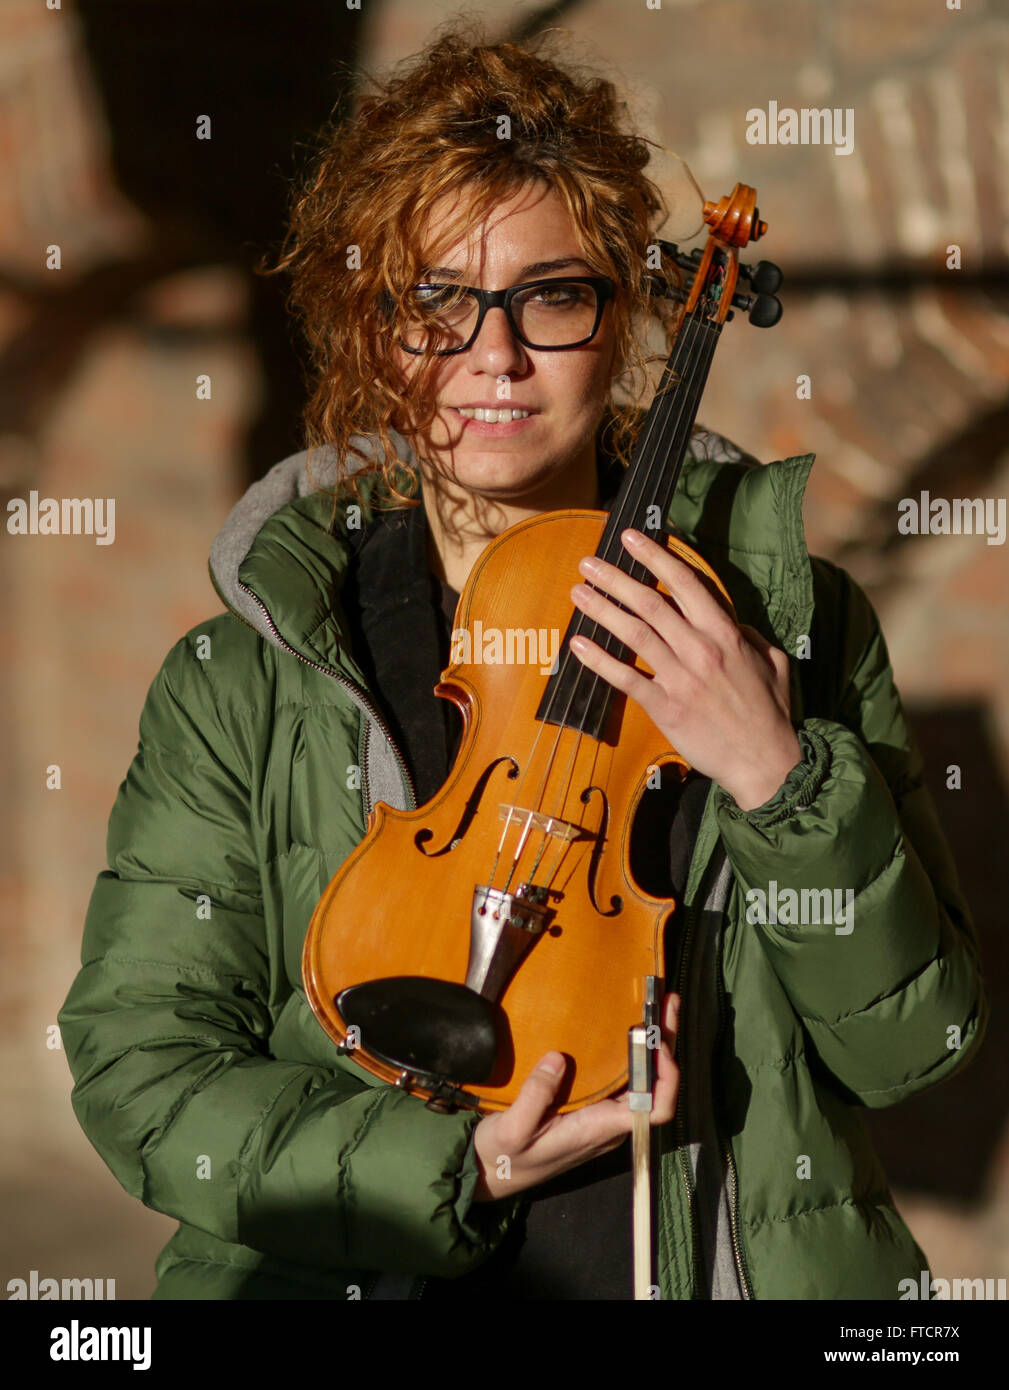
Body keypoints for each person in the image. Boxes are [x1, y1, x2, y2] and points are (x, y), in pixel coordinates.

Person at [59, 25, 987, 1301]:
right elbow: (141, 1066)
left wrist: (783, 783)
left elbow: (910, 1048)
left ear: (623, 317)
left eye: (550, 295)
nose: (492, 357)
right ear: (368, 329)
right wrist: (453, 1168)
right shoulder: (246, 677)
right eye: (434, 298)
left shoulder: (785, 624)